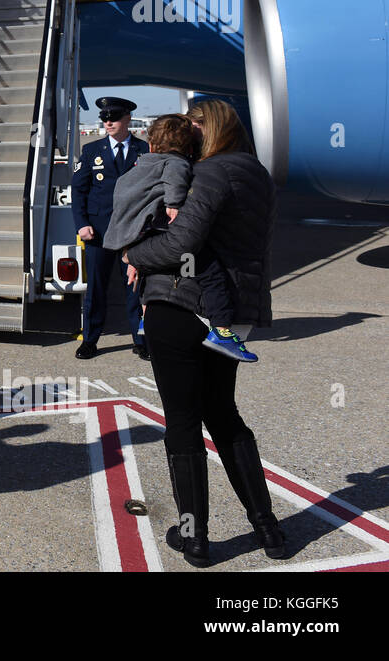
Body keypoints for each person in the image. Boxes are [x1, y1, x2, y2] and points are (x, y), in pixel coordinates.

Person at [125, 99, 286, 566]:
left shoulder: (211, 173)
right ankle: (268, 530)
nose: (187, 136)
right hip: (231, 314)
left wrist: (135, 255)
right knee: (223, 413)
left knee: (182, 419)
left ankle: (195, 538)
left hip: (182, 306)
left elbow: (181, 242)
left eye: (193, 127)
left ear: (208, 129)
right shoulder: (255, 173)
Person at [105, 114, 257, 363]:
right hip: (154, 229)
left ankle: (145, 317)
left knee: (146, 268)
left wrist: (130, 244)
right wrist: (175, 203)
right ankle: (221, 330)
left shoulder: (140, 165)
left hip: (130, 234)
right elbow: (176, 176)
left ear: (151, 144)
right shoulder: (176, 162)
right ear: (188, 148)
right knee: (211, 273)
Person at [71, 96, 149, 360]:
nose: (108, 122)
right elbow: (79, 190)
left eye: (113, 117)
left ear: (127, 119)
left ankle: (141, 339)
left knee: (135, 288)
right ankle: (90, 340)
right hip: (99, 233)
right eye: (104, 118)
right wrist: (82, 224)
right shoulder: (92, 151)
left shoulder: (144, 150)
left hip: (133, 233)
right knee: (96, 289)